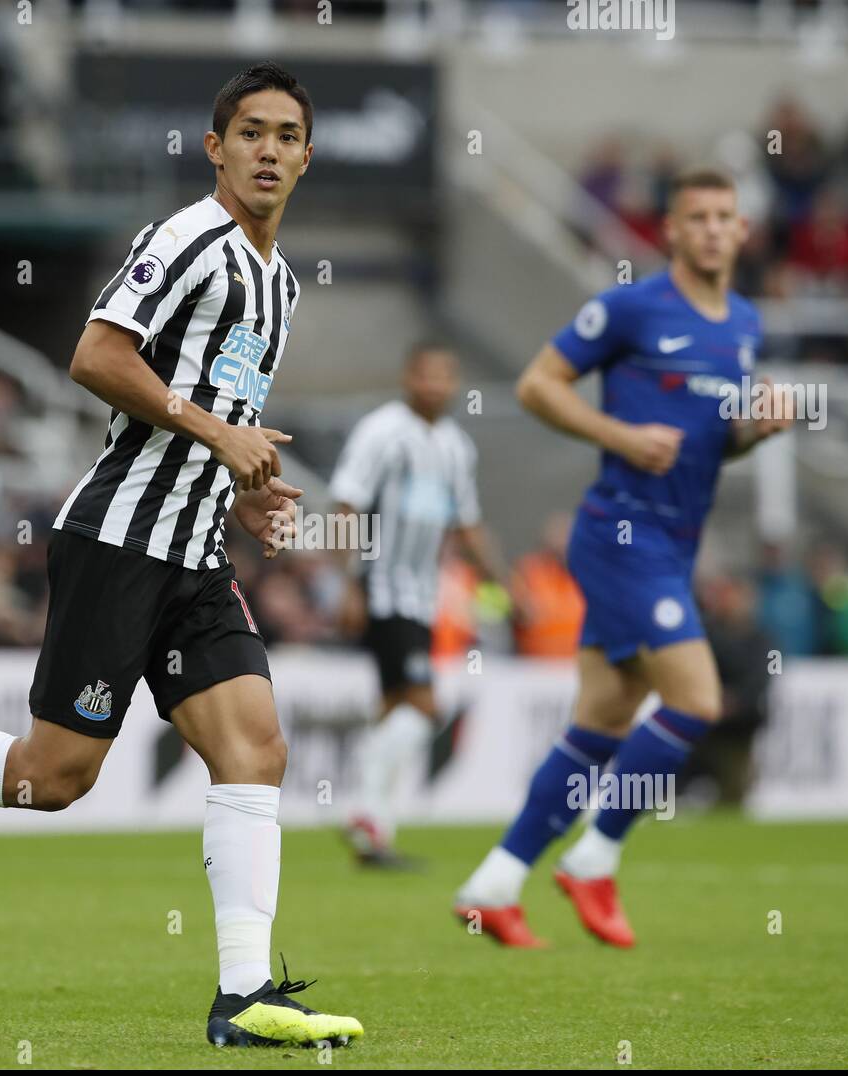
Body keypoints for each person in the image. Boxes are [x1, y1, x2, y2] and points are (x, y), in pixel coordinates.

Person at [0, 61, 363, 1050]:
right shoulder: (187, 240)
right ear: (217, 149)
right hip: (119, 539)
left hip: (194, 551)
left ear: (306, 155)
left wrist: (241, 488)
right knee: (53, 777)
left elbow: (218, 413)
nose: (269, 149)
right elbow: (94, 354)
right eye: (250, 132)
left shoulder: (279, 282)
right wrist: (216, 437)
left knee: (253, 742)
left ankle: (244, 994)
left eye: (287, 135)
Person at [456, 166, 791, 949]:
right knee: (696, 703)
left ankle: (493, 884)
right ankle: (595, 857)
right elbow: (540, 385)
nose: (712, 229)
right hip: (619, 535)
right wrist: (620, 437)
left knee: (599, 723)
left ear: (742, 232)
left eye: (725, 217)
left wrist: (751, 432)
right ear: (670, 231)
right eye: (697, 217)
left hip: (675, 546)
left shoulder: (742, 323)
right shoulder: (632, 307)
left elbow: (711, 440)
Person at [329, 342, 507, 867]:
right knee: (424, 707)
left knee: (393, 707)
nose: (437, 386)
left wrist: (506, 583)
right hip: (383, 588)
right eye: (427, 376)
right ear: (409, 377)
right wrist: (348, 582)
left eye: (446, 377)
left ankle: (373, 835)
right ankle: (364, 808)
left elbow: (466, 522)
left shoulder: (456, 446)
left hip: (422, 595)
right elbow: (347, 503)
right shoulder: (381, 432)